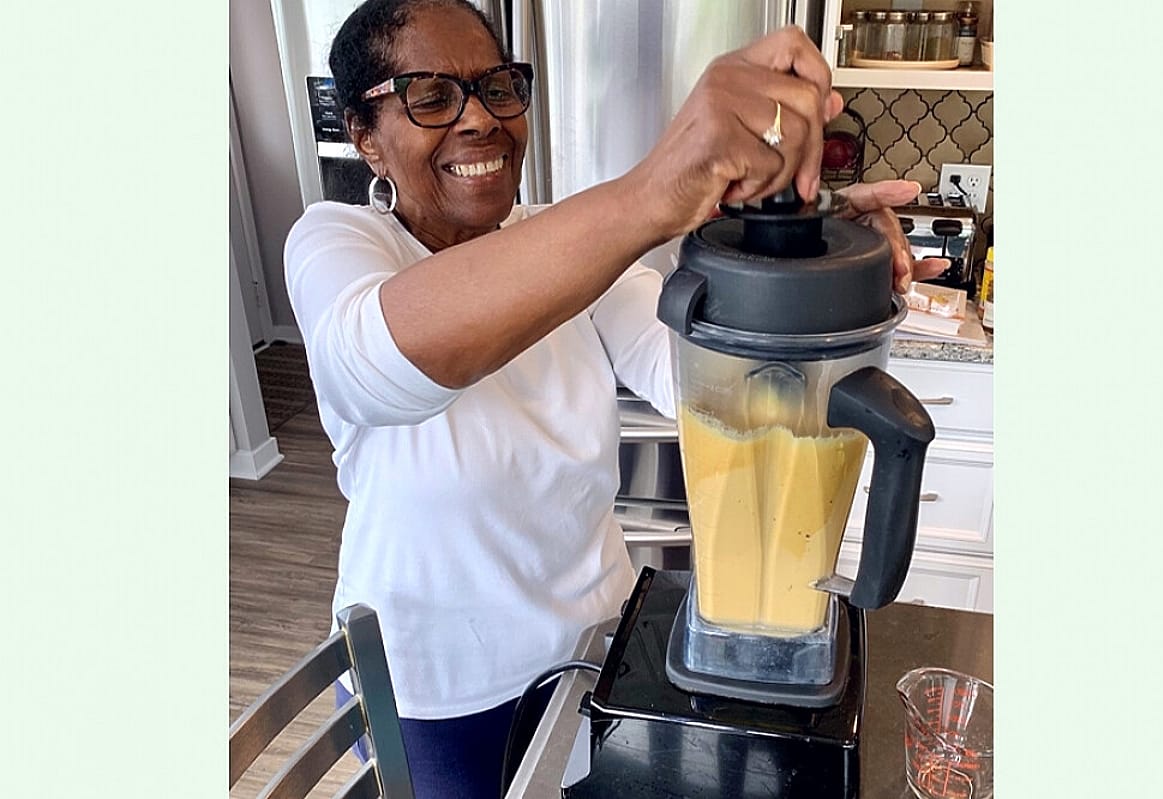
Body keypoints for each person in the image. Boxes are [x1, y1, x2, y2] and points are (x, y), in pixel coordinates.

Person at [284, 0, 947, 795]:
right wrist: (650, 195)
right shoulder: (336, 242)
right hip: (432, 679)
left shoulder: (568, 246)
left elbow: (705, 385)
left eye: (498, 87)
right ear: (364, 135)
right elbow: (372, 362)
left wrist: (816, 292)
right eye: (430, 97)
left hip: (589, 651)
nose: (480, 121)